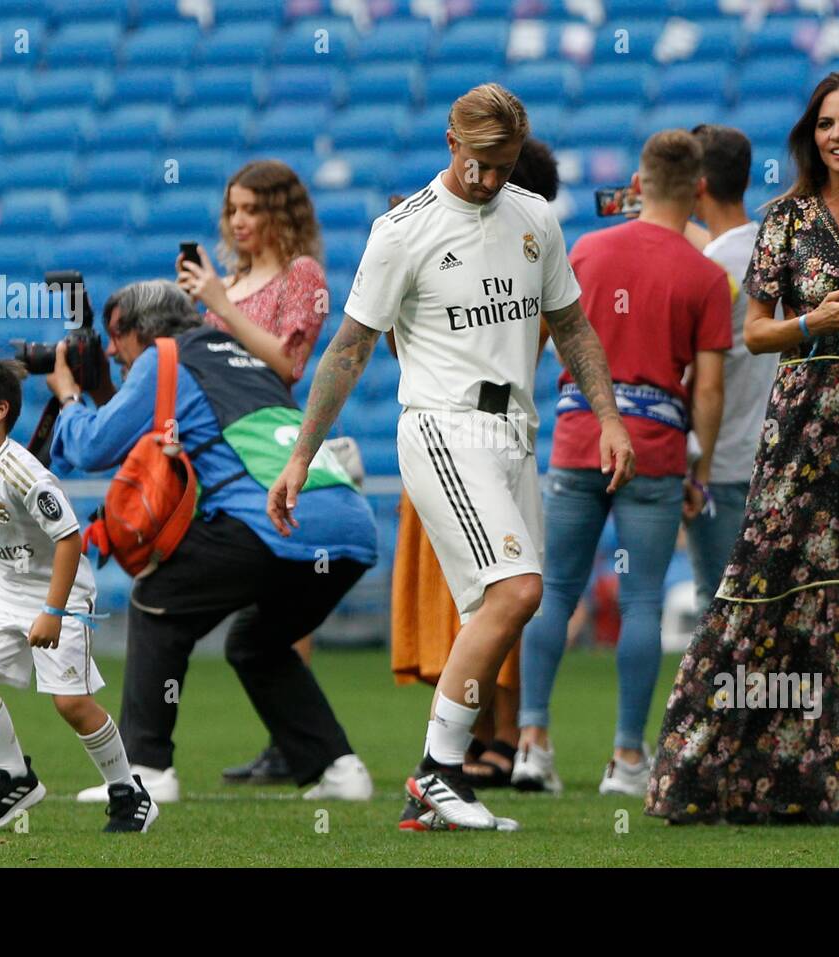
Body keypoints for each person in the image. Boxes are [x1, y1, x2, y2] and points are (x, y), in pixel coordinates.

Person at [265, 83, 635, 831]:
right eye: (481, 163)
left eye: (505, 165)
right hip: (442, 427)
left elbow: (573, 327)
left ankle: (431, 795)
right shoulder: (402, 231)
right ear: (451, 143)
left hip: (513, 435)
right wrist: (301, 456)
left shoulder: (536, 218)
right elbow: (349, 348)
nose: (492, 179)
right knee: (521, 590)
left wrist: (609, 418)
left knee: (494, 613)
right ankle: (437, 773)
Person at [646, 71, 839, 826]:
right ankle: (723, 779)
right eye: (826, 124)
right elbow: (754, 332)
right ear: (810, 135)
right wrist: (814, 320)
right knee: (769, 589)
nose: (838, 135)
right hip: (803, 428)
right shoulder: (783, 220)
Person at [49, 281, 378, 805]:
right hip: (349, 523)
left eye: (116, 337)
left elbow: (92, 447)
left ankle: (146, 769)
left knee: (158, 603)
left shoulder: (165, 358)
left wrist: (68, 395)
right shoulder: (241, 354)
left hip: (270, 519)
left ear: (144, 331)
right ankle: (339, 768)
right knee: (258, 643)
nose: (110, 351)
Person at [514, 130, 732, 796]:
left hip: (580, 435)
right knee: (640, 601)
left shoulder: (586, 247)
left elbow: (545, 337)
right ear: (697, 191)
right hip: (658, 450)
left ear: (637, 186)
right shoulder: (707, 276)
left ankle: (532, 741)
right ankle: (628, 758)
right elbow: (711, 387)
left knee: (554, 589)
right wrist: (701, 465)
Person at [388, 136, 562, 788]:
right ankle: (471, 748)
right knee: (497, 596)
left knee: (506, 593)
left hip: (488, 434)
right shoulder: (443, 239)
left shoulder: (526, 247)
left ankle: (485, 745)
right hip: (461, 439)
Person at [0, 350, 157, 833]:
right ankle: (15, 777)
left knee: (70, 703)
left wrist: (53, 610)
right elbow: (8, 529)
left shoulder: (23, 472)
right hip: (11, 589)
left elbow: (69, 538)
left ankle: (128, 791)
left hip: (62, 595)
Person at [176, 158, 331, 786]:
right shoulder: (230, 279)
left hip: (269, 447)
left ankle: (289, 742)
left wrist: (218, 303)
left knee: (280, 599)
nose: (239, 221)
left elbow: (290, 363)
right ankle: (285, 741)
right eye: (232, 209)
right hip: (213, 451)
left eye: (253, 209)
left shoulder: (300, 274)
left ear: (281, 212)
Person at [680, 125, 781, 613]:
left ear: (698, 184)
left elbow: (697, 379)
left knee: (717, 605)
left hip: (720, 463)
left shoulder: (704, 270)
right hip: (777, 457)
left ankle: (720, 694)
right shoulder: (770, 250)